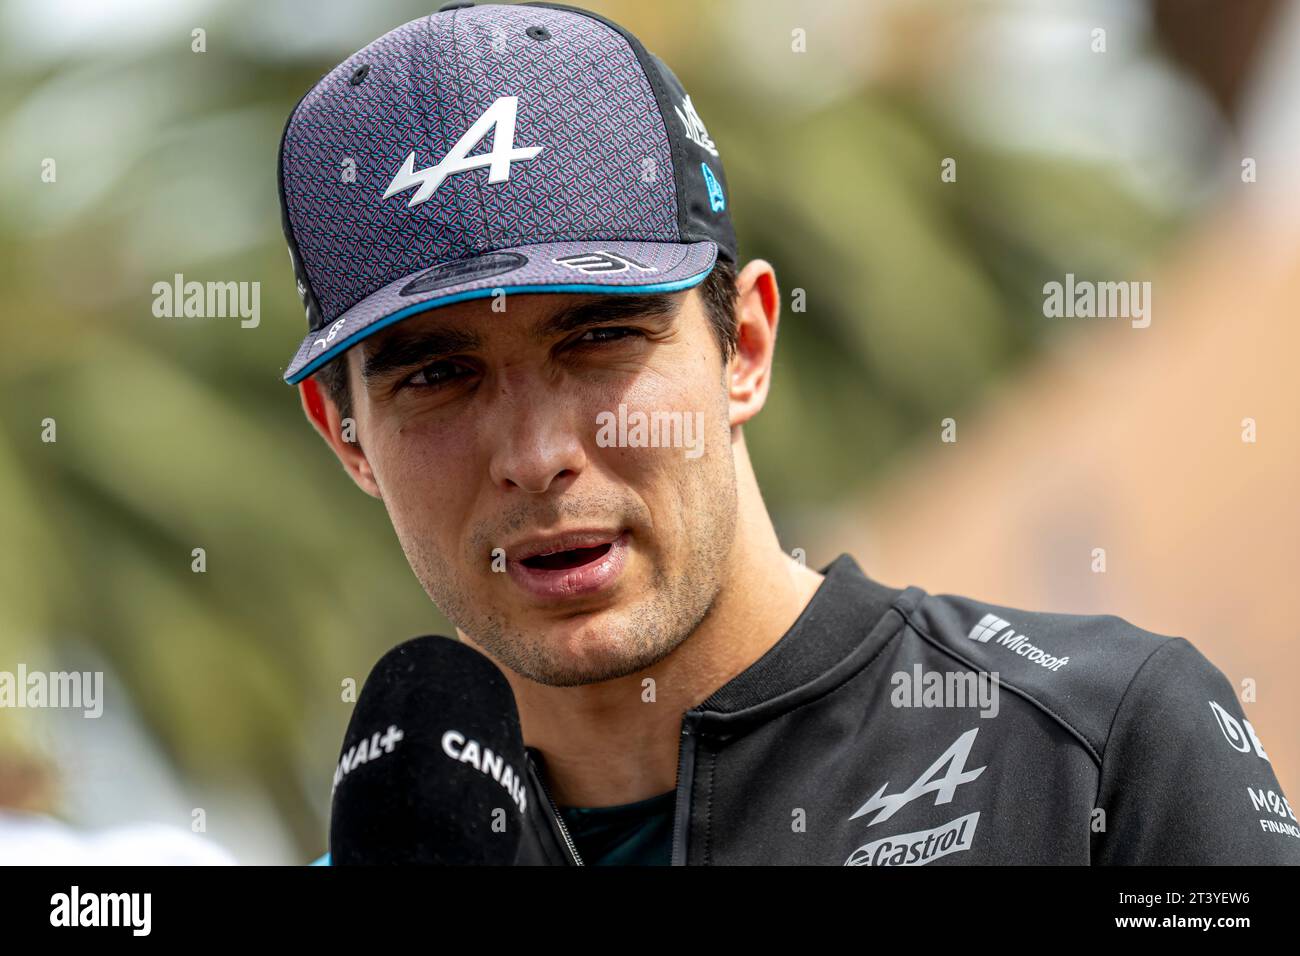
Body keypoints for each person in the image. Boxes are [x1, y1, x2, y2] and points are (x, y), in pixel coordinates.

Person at [281, 3, 1299, 865]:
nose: (535, 453)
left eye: (597, 337)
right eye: (437, 374)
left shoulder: (1093, 752)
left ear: (746, 345)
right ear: (347, 436)